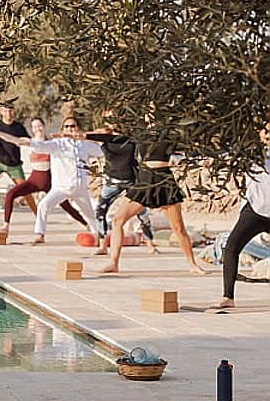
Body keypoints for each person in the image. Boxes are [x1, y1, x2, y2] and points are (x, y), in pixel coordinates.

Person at [99, 131, 205, 275]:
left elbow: (191, 147)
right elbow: (112, 137)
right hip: (145, 180)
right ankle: (113, 263)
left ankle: (193, 265)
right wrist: (83, 136)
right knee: (117, 220)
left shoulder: (169, 133)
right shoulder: (139, 134)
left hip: (163, 180)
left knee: (178, 228)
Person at [0, 116, 102, 245]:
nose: (70, 129)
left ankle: (98, 236)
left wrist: (92, 136)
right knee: (43, 206)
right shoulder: (57, 144)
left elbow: (102, 151)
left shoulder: (85, 145)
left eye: (73, 126)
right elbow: (20, 142)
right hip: (60, 187)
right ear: (63, 129)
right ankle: (40, 235)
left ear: (77, 128)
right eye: (67, 126)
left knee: (90, 214)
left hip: (80, 188)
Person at [213, 121, 270, 309]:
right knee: (231, 248)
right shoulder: (250, 153)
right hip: (254, 211)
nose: (268, 135)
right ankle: (227, 297)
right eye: (266, 131)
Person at [85, 113, 157, 254]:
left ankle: (150, 244)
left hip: (131, 180)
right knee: (100, 211)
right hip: (111, 182)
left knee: (142, 212)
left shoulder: (131, 136)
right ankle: (102, 246)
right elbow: (84, 136)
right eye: (110, 119)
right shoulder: (103, 137)